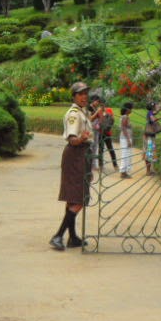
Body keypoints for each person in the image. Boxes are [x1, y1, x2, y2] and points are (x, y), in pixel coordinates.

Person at [50, 81, 92, 251]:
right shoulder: (73, 114)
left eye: (85, 93)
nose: (84, 97)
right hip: (76, 155)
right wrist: (81, 139)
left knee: (73, 198)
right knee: (80, 198)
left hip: (80, 155)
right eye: (80, 94)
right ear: (74, 96)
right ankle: (58, 235)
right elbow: (72, 139)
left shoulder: (82, 112)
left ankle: (72, 237)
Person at [143, 101, 161, 176]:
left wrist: (159, 110)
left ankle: (149, 170)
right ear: (152, 107)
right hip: (149, 136)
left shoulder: (150, 112)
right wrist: (160, 118)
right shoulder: (150, 113)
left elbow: (154, 113)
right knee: (149, 152)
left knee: (150, 152)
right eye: (155, 105)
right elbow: (153, 119)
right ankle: (148, 171)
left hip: (149, 135)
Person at [119, 102, 134, 178]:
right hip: (125, 138)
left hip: (126, 138)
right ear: (127, 109)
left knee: (127, 154)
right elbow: (123, 128)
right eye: (131, 108)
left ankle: (124, 171)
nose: (132, 110)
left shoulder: (125, 116)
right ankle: (123, 172)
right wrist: (128, 140)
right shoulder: (125, 117)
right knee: (125, 155)